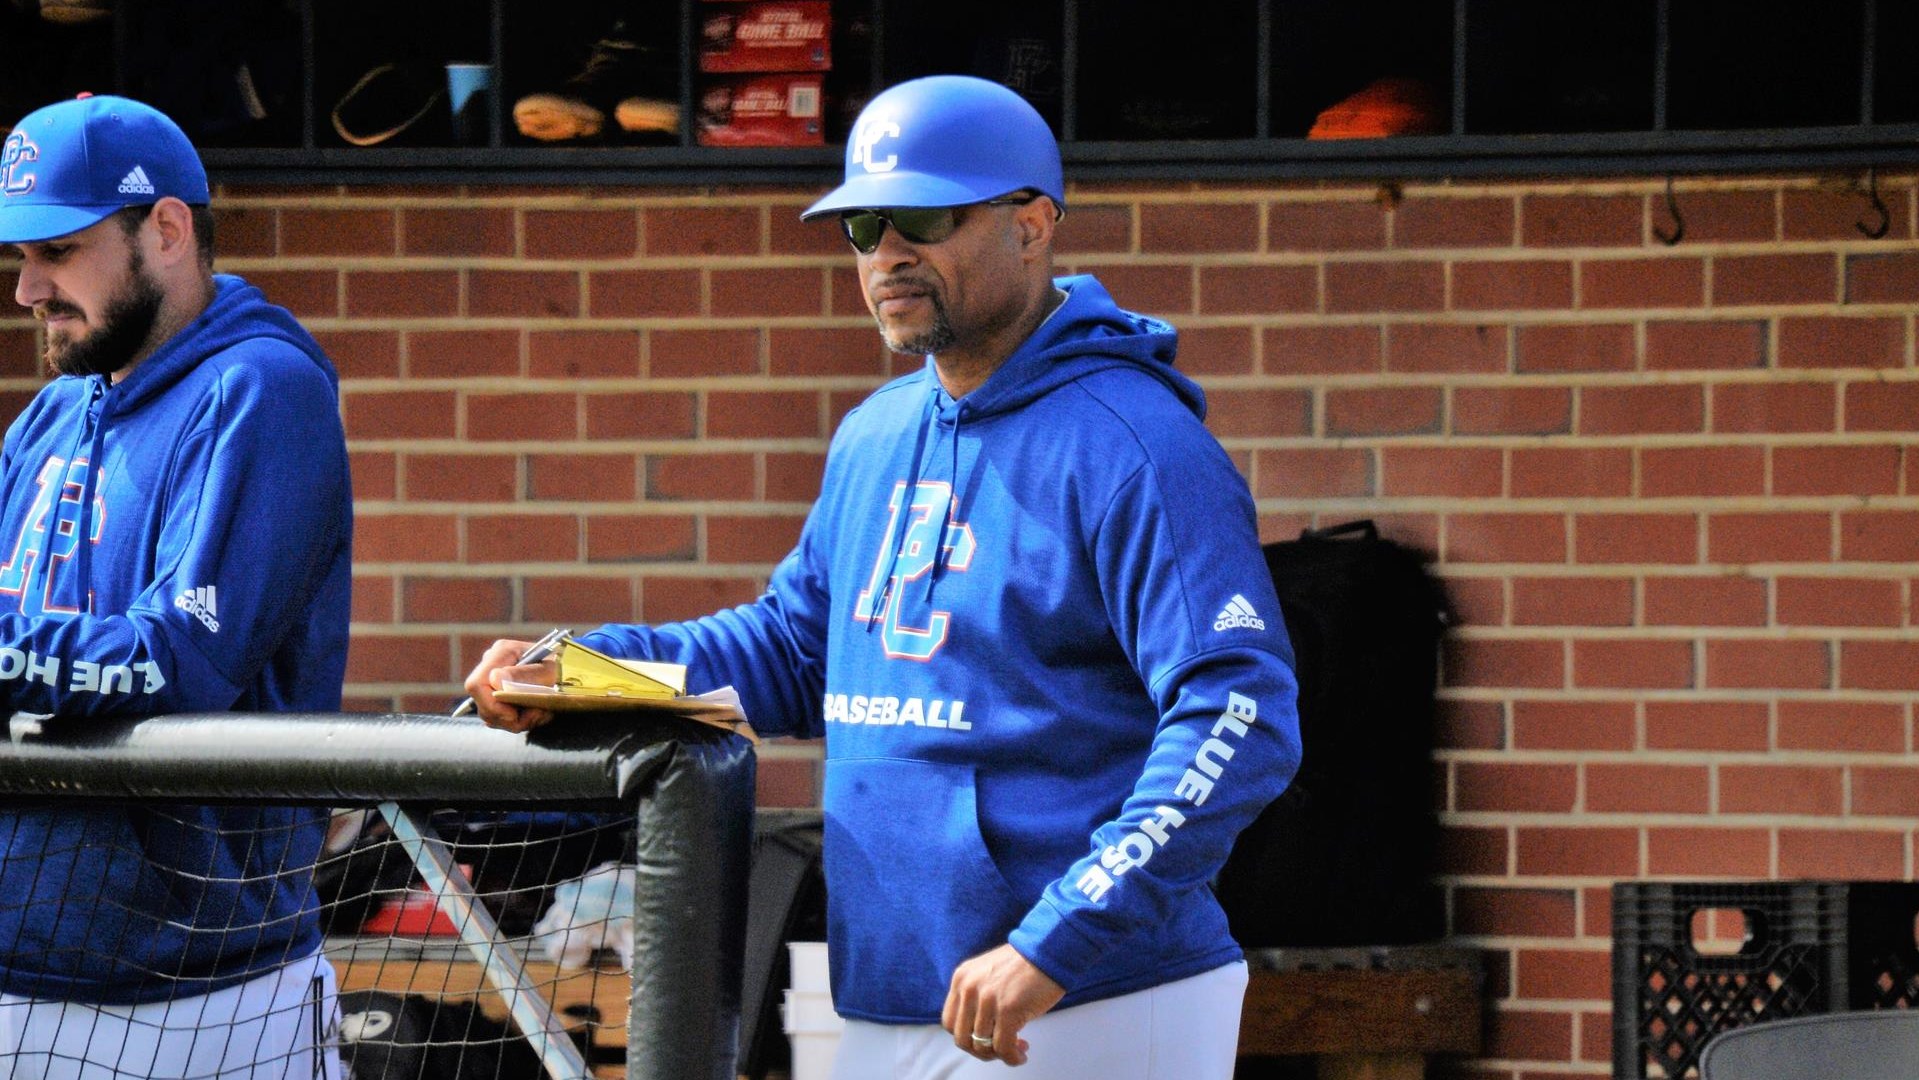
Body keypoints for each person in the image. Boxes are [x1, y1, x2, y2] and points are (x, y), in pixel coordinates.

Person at [465, 75, 1301, 1080]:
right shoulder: (873, 435)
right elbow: (787, 653)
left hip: (1085, 999)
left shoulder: (1137, 444)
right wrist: (585, 668)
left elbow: (1238, 714)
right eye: (861, 224)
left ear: (1031, 226)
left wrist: (1062, 934)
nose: (886, 253)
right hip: (880, 985)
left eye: (922, 217)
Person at [0, 94, 352, 1078]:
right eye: (17, 259)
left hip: (203, 1002)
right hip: (22, 973)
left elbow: (182, 660)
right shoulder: (58, 408)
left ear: (164, 229)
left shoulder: (263, 388)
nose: (27, 290)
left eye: (57, 252)